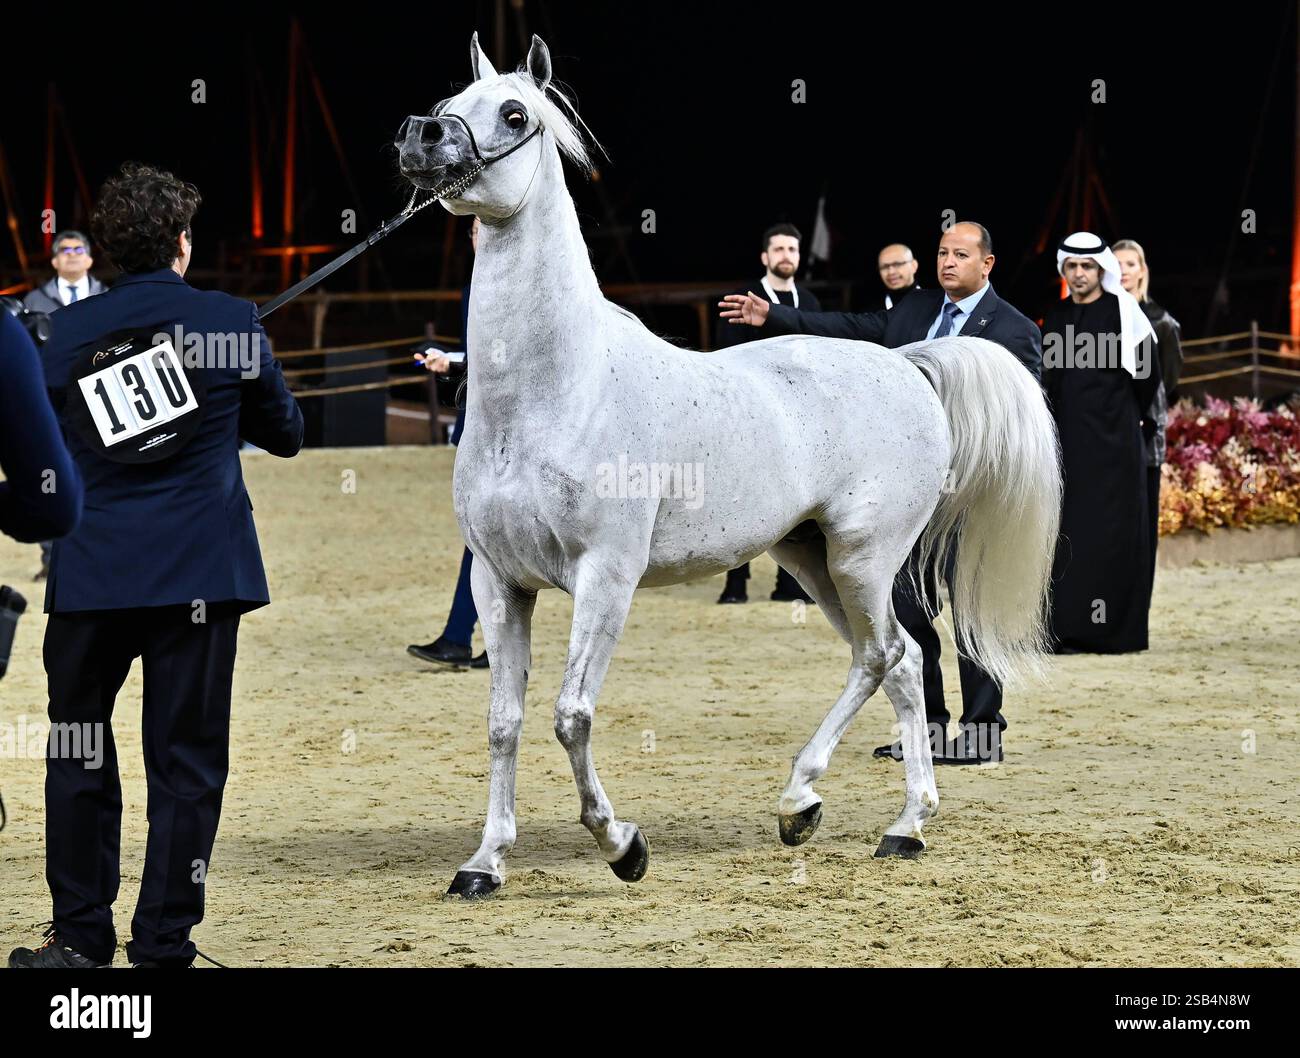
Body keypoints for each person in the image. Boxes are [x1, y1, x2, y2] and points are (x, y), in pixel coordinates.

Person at [7, 162, 303, 969]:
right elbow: (286, 434)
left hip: (92, 576)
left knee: (76, 753)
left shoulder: (54, 334)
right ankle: (164, 942)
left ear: (103, 249)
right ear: (180, 243)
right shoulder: (228, 320)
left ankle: (78, 939)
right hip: (198, 580)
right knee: (186, 767)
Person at [719, 221, 1041, 764]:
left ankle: (984, 734)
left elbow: (1016, 422)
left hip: (970, 495)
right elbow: (847, 326)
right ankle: (929, 729)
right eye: (942, 252)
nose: (947, 262)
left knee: (970, 616)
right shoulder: (913, 314)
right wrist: (773, 315)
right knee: (909, 612)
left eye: (960, 254)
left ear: (987, 264)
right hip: (911, 494)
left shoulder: (1012, 330)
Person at [1042, 232, 1158, 655]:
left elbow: (1148, 378)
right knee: (1068, 537)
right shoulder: (1054, 317)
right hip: (1067, 446)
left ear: (1101, 270)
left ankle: (1110, 633)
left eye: (1086, 267)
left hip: (1115, 447)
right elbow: (1049, 383)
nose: (1078, 274)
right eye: (1071, 266)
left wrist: (1123, 421)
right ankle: (1066, 631)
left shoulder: (1124, 314)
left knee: (1109, 535)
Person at [714, 222, 821, 605]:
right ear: (765, 257)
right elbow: (726, 359)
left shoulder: (809, 304)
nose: (786, 256)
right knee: (737, 496)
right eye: (779, 250)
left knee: (796, 500)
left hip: (798, 422)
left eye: (792, 250)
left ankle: (790, 586)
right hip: (748, 416)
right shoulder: (740, 299)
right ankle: (735, 584)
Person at [408, 216, 487, 669]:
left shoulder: (503, 286)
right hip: (480, 422)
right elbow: (482, 357)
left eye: (485, 229)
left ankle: (465, 638)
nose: (479, 237)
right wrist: (452, 360)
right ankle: (470, 639)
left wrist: (454, 365)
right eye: (473, 230)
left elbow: (506, 360)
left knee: (487, 540)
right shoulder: (472, 287)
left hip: (505, 429)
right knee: (485, 541)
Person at [22, 230, 106, 580]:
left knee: (100, 477)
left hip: (100, 403)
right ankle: (53, 559)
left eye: (78, 249)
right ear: (54, 260)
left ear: (89, 258)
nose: (71, 254)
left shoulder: (107, 299)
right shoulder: (34, 302)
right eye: (64, 250)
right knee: (51, 476)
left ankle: (99, 554)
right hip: (50, 407)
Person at [1114, 238, 1183, 595]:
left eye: (1130, 264)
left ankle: (1135, 603)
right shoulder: (1095, 320)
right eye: (1116, 263)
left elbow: (1166, 386)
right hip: (1101, 440)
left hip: (1142, 442)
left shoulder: (1162, 324)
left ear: (1142, 271)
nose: (1123, 270)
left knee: (1140, 526)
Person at [875, 242, 921, 310]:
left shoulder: (937, 303)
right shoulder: (871, 314)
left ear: (914, 265)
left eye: (897, 264)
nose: (891, 272)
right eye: (884, 267)